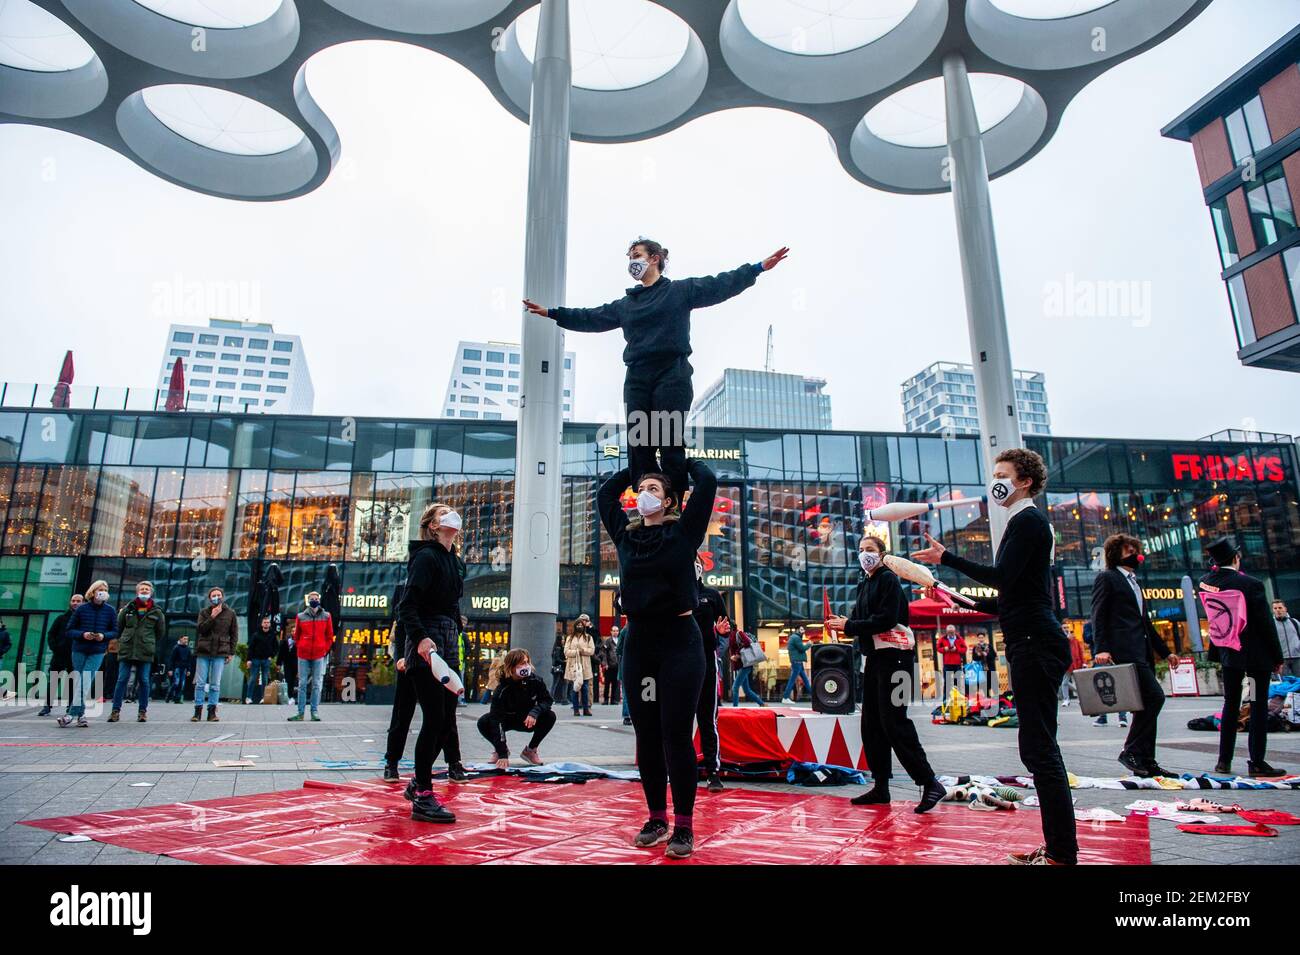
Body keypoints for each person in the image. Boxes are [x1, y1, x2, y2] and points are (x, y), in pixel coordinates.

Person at [913, 447, 1078, 866]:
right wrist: (952, 595)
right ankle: (1059, 849)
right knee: (1039, 748)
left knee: (1040, 750)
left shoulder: (1028, 521)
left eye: (1002, 473)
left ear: (1024, 480)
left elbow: (1002, 579)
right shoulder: (1026, 523)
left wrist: (947, 557)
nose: (995, 481)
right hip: (1032, 636)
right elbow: (1010, 599)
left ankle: (1061, 854)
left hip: (1035, 643)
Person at [525, 240, 788, 492]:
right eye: (629, 258)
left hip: (672, 372)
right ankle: (647, 497)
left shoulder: (680, 291)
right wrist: (553, 313)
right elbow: (590, 317)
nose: (632, 262)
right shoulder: (626, 305)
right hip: (638, 376)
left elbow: (720, 285)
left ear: (654, 258)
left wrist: (757, 268)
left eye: (636, 255)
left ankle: (672, 502)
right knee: (640, 443)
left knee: (667, 437)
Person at [598, 458, 716, 859]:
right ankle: (656, 818)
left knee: (675, 735)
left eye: (654, 490)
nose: (644, 495)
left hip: (680, 641)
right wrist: (637, 467)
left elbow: (708, 481)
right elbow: (604, 495)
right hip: (640, 643)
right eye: (641, 489)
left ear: (669, 502)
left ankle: (684, 825)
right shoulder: (625, 536)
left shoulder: (684, 533)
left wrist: (680, 464)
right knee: (646, 735)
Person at [827, 535, 946, 813]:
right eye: (860, 550)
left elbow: (886, 619)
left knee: (895, 723)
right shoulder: (865, 583)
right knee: (871, 725)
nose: (864, 554)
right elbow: (859, 621)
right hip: (875, 659)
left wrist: (850, 625)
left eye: (870, 550)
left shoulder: (889, 580)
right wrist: (843, 625)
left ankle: (930, 783)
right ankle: (881, 786)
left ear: (883, 554)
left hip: (897, 659)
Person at [396, 502, 467, 824]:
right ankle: (424, 794)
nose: (450, 515)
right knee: (435, 718)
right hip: (427, 646)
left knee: (445, 721)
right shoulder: (426, 557)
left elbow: (450, 604)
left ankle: (417, 782)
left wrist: (457, 630)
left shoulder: (454, 560)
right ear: (433, 526)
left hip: (448, 642)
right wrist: (421, 640)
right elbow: (407, 605)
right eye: (442, 513)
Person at [1090, 534, 1178, 778]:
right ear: (1116, 553)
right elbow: (1098, 614)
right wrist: (1101, 648)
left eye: (1135, 549)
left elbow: (1144, 622)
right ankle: (1131, 751)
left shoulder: (1134, 582)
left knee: (1146, 704)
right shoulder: (1108, 578)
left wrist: (1166, 651)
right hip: (1124, 650)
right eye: (1129, 550)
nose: (1135, 554)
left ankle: (1146, 759)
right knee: (1155, 697)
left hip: (1141, 650)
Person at [1200, 537, 1285, 777]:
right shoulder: (1251, 584)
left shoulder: (1206, 582)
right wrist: (1276, 656)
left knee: (1231, 704)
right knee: (1257, 705)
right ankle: (1257, 761)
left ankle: (1223, 760)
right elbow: (1265, 624)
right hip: (1255, 659)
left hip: (1230, 654)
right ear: (1236, 558)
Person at [478, 649, 556, 768]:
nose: (526, 666)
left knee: (550, 716)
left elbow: (547, 700)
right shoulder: (502, 689)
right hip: (507, 720)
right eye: (522, 663)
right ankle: (499, 750)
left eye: (527, 662)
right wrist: (502, 752)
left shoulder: (535, 681)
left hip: (528, 720)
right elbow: (496, 720)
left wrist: (534, 712)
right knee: (484, 721)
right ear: (511, 667)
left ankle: (530, 750)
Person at [57, 581, 116, 728]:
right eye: (99, 590)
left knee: (84, 681)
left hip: (97, 651)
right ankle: (81, 716)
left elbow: (115, 631)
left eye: (105, 590)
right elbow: (69, 630)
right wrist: (83, 634)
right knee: (80, 683)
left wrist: (103, 636)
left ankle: (70, 715)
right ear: (93, 592)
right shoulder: (82, 609)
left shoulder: (110, 611)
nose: (102, 592)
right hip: (79, 649)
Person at [693, 555, 728, 792]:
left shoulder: (712, 595)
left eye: (695, 562)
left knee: (707, 718)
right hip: (679, 664)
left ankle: (713, 772)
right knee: (678, 721)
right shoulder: (675, 594)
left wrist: (721, 631)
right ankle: (678, 768)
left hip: (706, 661)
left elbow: (727, 627)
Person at [109, 580, 165, 723]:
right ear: (137, 591)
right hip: (127, 649)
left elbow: (160, 633)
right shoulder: (128, 609)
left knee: (144, 681)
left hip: (145, 651)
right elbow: (119, 627)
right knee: (122, 679)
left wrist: (148, 641)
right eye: (142, 589)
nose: (145, 591)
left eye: (147, 589)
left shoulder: (157, 611)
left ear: (151, 592)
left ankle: (142, 712)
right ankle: (115, 711)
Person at [288, 591, 334, 723]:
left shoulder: (326, 616)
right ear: (308, 601)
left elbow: (329, 636)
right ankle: (300, 712)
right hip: (303, 654)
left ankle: (314, 711)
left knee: (316, 683)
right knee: (302, 684)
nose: (314, 600)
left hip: (319, 654)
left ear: (319, 600)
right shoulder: (301, 616)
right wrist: (301, 645)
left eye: (316, 598)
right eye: (311, 598)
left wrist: (324, 649)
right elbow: (296, 636)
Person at [194, 587, 237, 723]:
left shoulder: (230, 613)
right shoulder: (204, 612)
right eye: (214, 595)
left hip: (220, 651)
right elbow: (201, 629)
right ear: (209, 598)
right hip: (204, 650)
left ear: (222, 597)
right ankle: (198, 710)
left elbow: (234, 634)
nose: (216, 597)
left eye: (219, 595)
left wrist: (231, 652)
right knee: (200, 683)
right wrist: (212, 616)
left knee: (215, 684)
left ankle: (212, 712)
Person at [39, 593, 82, 717]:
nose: (75, 603)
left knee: (71, 682)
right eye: (73, 600)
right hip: (59, 655)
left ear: (82, 603)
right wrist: (55, 647)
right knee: (53, 681)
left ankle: (70, 706)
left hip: (74, 654)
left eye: (78, 601)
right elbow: (51, 634)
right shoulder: (61, 618)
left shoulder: (82, 620)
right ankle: (47, 706)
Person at [727, 622, 765, 707]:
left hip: (745, 664)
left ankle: (735, 708)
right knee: (747, 690)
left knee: (735, 688)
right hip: (740, 665)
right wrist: (733, 657)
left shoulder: (738, 633)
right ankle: (762, 704)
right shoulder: (730, 635)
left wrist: (737, 655)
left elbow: (747, 642)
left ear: (730, 626)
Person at [564, 615, 595, 717]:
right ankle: (576, 710)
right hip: (573, 666)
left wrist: (583, 651)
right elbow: (566, 652)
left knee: (585, 688)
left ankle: (586, 709)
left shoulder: (588, 637)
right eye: (578, 624)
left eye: (581, 625)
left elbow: (592, 651)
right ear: (575, 626)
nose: (579, 626)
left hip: (585, 666)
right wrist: (576, 652)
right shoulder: (569, 638)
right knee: (575, 688)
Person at [245, 615, 278, 704]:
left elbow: (276, 647)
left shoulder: (273, 634)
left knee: (265, 679)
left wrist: (272, 656)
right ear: (262, 624)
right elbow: (250, 648)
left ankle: (264, 698)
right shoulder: (256, 635)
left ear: (270, 624)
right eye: (265, 622)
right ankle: (248, 697)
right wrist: (249, 660)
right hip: (255, 659)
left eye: (268, 623)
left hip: (266, 659)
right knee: (252, 678)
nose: (266, 624)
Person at [935, 625, 967, 700]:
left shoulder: (959, 638)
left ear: (954, 631)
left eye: (952, 632)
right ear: (947, 632)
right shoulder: (942, 639)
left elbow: (965, 649)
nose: (951, 633)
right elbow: (938, 648)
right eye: (949, 632)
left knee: (958, 682)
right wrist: (944, 649)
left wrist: (957, 649)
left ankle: (958, 699)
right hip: (947, 664)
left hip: (957, 663)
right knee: (947, 683)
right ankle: (946, 699)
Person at [781, 626, 809, 705]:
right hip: (797, 663)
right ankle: (785, 697)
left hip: (798, 662)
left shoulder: (794, 637)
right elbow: (802, 648)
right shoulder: (796, 638)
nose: (803, 631)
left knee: (805, 681)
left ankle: (815, 697)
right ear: (797, 630)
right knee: (792, 680)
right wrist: (809, 644)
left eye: (803, 629)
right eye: (801, 629)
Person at [1274, 599, 1300, 679]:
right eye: (1275, 608)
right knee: (1286, 684)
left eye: (1280, 607)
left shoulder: (1294, 622)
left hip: (1297, 657)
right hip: (1282, 660)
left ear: (1285, 609)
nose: (1278, 610)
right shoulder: (1271, 625)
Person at [595, 628, 620, 705]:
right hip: (609, 666)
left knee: (615, 683)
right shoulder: (608, 641)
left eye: (617, 631)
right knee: (607, 683)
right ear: (611, 632)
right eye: (614, 631)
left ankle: (613, 700)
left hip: (617, 665)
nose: (615, 632)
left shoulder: (619, 640)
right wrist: (605, 663)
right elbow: (603, 653)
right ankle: (606, 700)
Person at [166, 634, 191, 703]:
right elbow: (171, 659)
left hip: (184, 668)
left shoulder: (188, 649)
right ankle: (169, 696)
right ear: (180, 639)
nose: (186, 640)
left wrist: (188, 670)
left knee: (181, 684)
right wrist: (170, 669)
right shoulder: (176, 648)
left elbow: (189, 660)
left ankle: (177, 698)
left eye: (187, 639)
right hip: (177, 668)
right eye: (184, 639)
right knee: (176, 683)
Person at [550, 632, 569, 705]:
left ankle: (564, 699)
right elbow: (557, 659)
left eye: (564, 639)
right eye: (562, 639)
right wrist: (565, 661)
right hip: (559, 668)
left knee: (563, 683)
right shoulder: (558, 648)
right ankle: (559, 699)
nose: (563, 641)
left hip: (560, 669)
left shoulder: (559, 647)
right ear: (559, 640)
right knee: (556, 683)